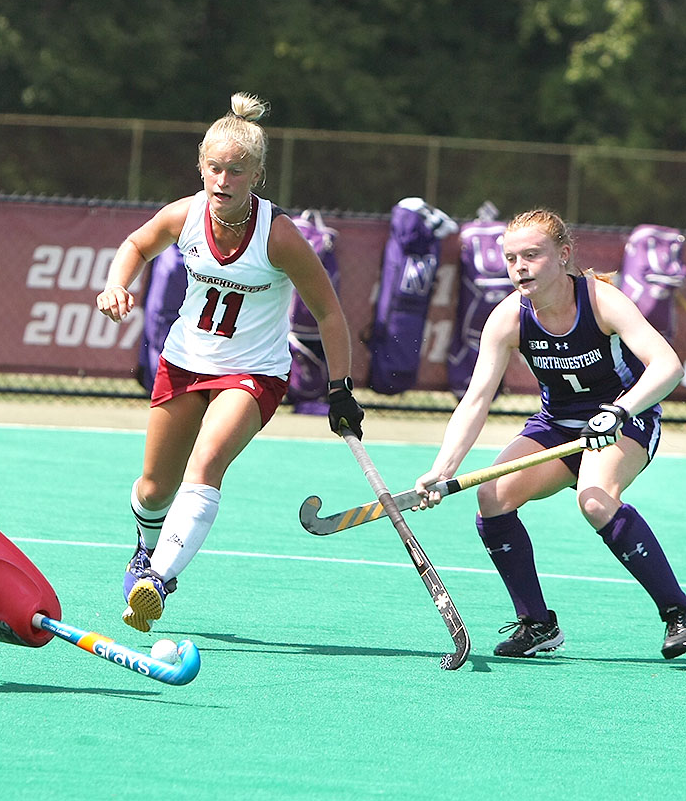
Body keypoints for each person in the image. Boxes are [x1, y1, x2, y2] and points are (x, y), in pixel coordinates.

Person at [95, 92, 364, 633]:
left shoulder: (281, 236)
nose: (222, 181)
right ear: (201, 168)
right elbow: (135, 244)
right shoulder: (184, 214)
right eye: (214, 169)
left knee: (207, 463)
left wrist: (340, 389)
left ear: (257, 176)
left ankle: (159, 581)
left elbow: (330, 315)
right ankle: (145, 551)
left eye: (236, 172)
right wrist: (115, 285)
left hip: (254, 372)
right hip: (184, 360)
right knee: (153, 488)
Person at [413, 208, 686, 660]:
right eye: (511, 258)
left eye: (532, 255)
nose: (520, 266)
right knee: (492, 497)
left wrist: (618, 410)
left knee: (595, 500)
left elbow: (669, 366)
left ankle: (678, 610)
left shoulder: (601, 301)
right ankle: (537, 624)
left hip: (627, 419)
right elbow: (477, 399)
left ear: (563, 255)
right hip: (557, 427)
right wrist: (442, 469)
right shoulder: (508, 318)